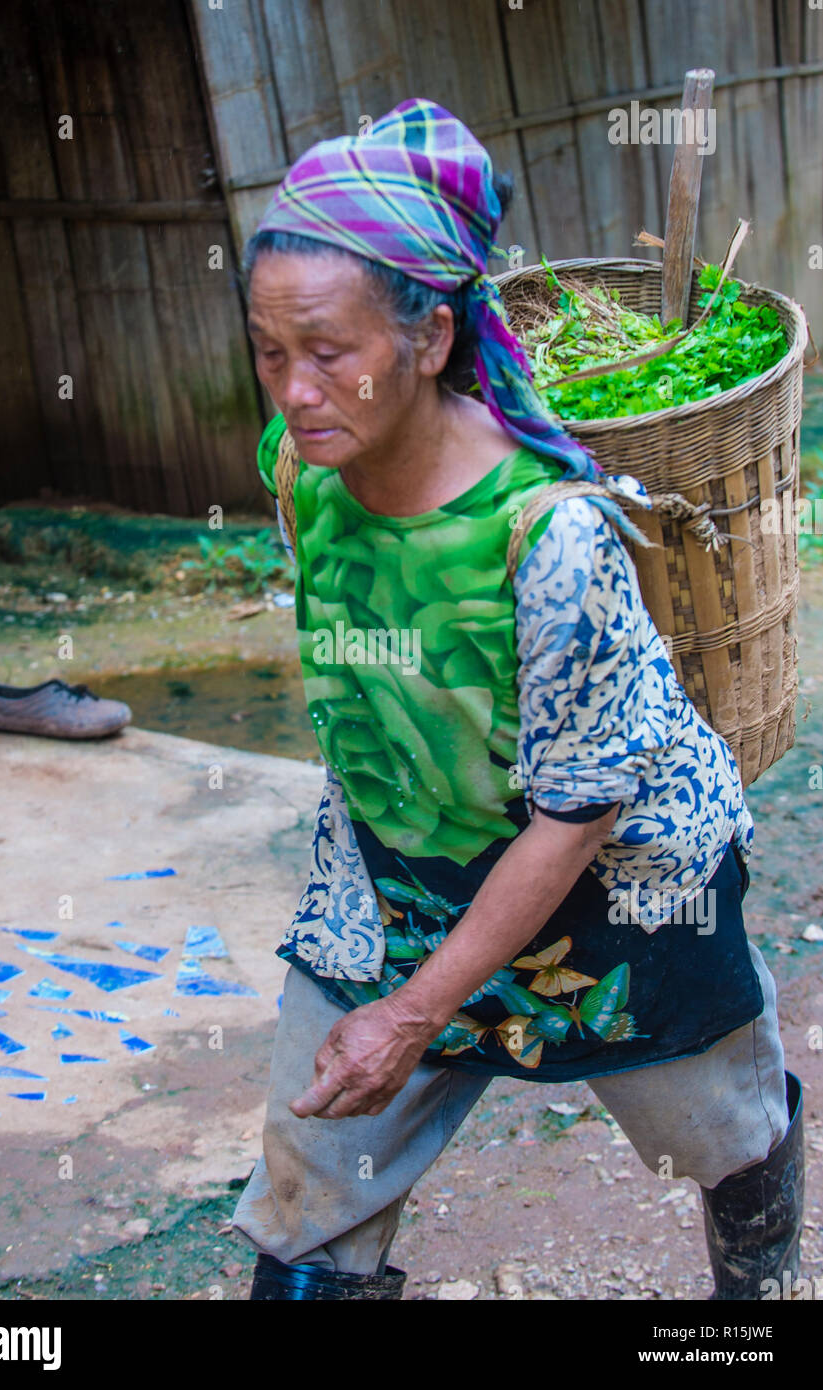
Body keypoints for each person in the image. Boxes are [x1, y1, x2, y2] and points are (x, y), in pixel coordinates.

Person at [230, 97, 804, 1301]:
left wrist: (411, 1016)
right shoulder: (306, 473)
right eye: (269, 350)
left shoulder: (550, 542)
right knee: (307, 1192)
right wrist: (388, 990)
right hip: (395, 878)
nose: (294, 387)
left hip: (620, 888)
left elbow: (577, 811)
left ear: (432, 337)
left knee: (721, 1127)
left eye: (329, 349)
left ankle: (751, 1299)